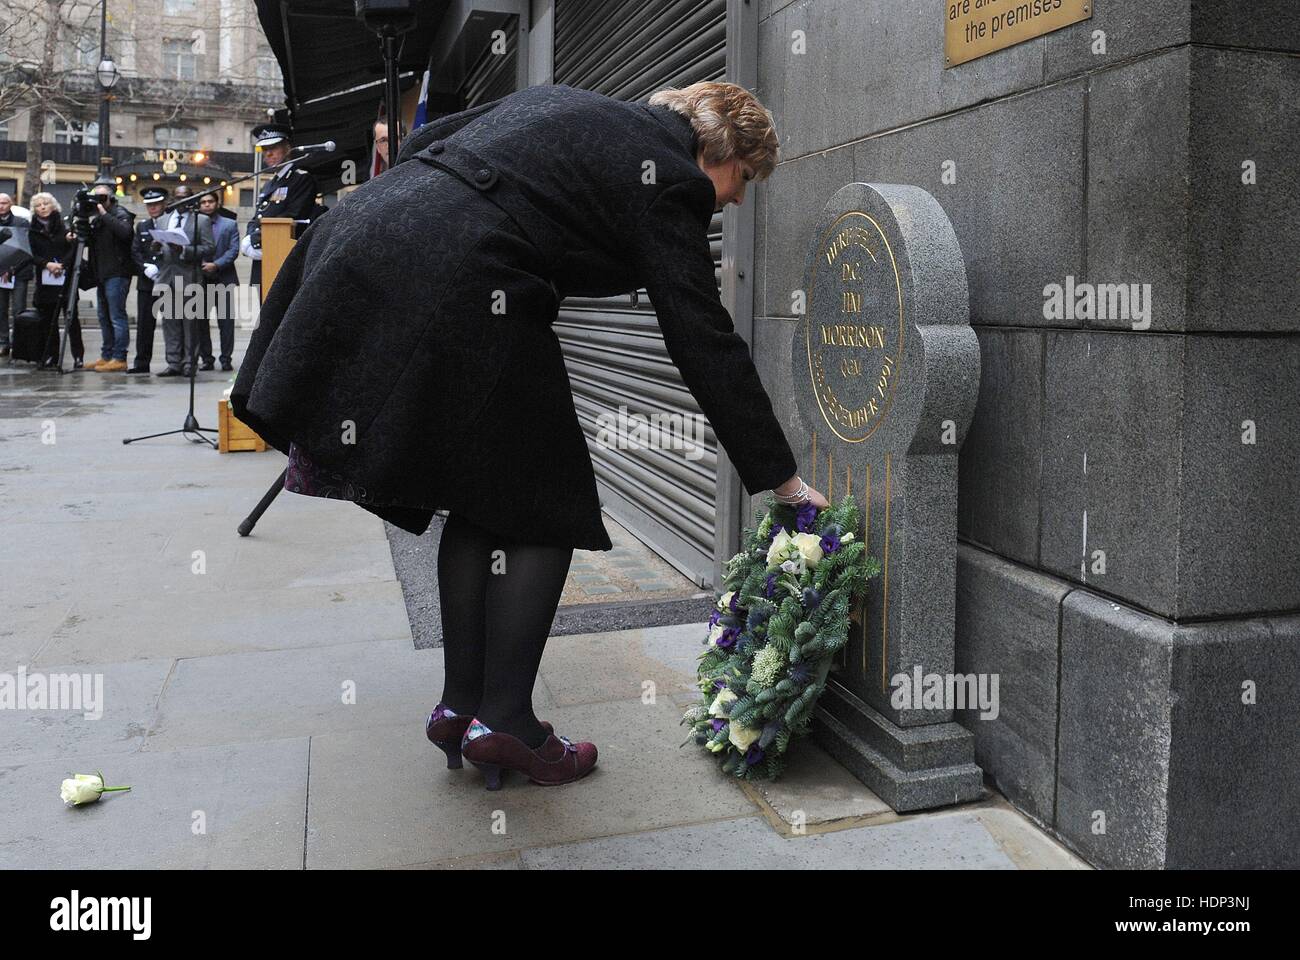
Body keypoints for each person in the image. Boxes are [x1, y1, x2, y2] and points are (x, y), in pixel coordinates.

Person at [231, 81, 828, 789]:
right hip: (463, 273)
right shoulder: (671, 178)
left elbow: (425, 144)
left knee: (482, 497)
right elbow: (701, 338)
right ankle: (509, 722)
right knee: (549, 504)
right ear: (724, 150)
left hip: (366, 233)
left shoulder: (560, 100)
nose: (735, 200)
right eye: (744, 182)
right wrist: (783, 481)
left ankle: (461, 708)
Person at [240, 122, 319, 290]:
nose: (269, 154)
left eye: (274, 148)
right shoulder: (269, 184)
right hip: (263, 259)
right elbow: (258, 217)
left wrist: (255, 238)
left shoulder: (301, 179)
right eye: (265, 150)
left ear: (287, 148)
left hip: (284, 257)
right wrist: (249, 238)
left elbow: (294, 215)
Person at [153, 183, 214, 377]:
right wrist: (156, 247)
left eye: (186, 197)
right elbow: (159, 247)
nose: (182, 201)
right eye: (178, 197)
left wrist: (185, 251)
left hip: (189, 277)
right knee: (170, 322)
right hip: (166, 277)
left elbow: (209, 248)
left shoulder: (201, 220)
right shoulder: (163, 220)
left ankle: (189, 363)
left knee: (190, 323)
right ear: (174, 198)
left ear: (192, 199)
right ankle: (173, 362)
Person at [83, 178, 136, 372]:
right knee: (103, 316)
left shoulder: (119, 213)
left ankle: (119, 357)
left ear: (110, 198)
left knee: (116, 316)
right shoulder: (96, 218)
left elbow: (125, 233)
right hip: (101, 273)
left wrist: (104, 214)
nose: (98, 200)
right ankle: (106, 355)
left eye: (102, 197)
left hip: (118, 273)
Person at [26, 192, 79, 369]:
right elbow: (31, 254)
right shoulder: (32, 230)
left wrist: (62, 265)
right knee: (49, 320)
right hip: (45, 280)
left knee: (72, 319)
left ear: (53, 206)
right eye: (39, 205)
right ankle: (51, 355)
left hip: (65, 278)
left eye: (46, 203)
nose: (42, 207)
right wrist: (46, 264)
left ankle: (78, 355)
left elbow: (73, 250)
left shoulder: (64, 227)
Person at [127, 186, 168, 375]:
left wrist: (161, 267)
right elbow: (135, 251)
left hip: (167, 279)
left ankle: (174, 362)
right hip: (147, 282)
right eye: (150, 205)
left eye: (156, 204)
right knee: (144, 325)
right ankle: (141, 362)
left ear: (164, 204)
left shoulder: (170, 222)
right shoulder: (142, 226)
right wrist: (145, 268)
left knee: (171, 323)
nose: (153, 208)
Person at [197, 191, 239, 371]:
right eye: (203, 202)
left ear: (217, 203)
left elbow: (233, 250)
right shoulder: (195, 225)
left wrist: (216, 264)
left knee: (226, 322)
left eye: (210, 201)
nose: (207, 205)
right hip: (200, 280)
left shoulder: (229, 224)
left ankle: (226, 359)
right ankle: (206, 358)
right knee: (200, 321)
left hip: (224, 277)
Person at [0, 192, 35, 358]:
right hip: (0, 273)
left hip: (19, 272)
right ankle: (3, 342)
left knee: (18, 309)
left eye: (4, 203)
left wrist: (11, 269)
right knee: (1, 310)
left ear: (11, 204)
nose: (1, 206)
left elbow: (27, 249)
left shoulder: (22, 223)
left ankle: (18, 343)